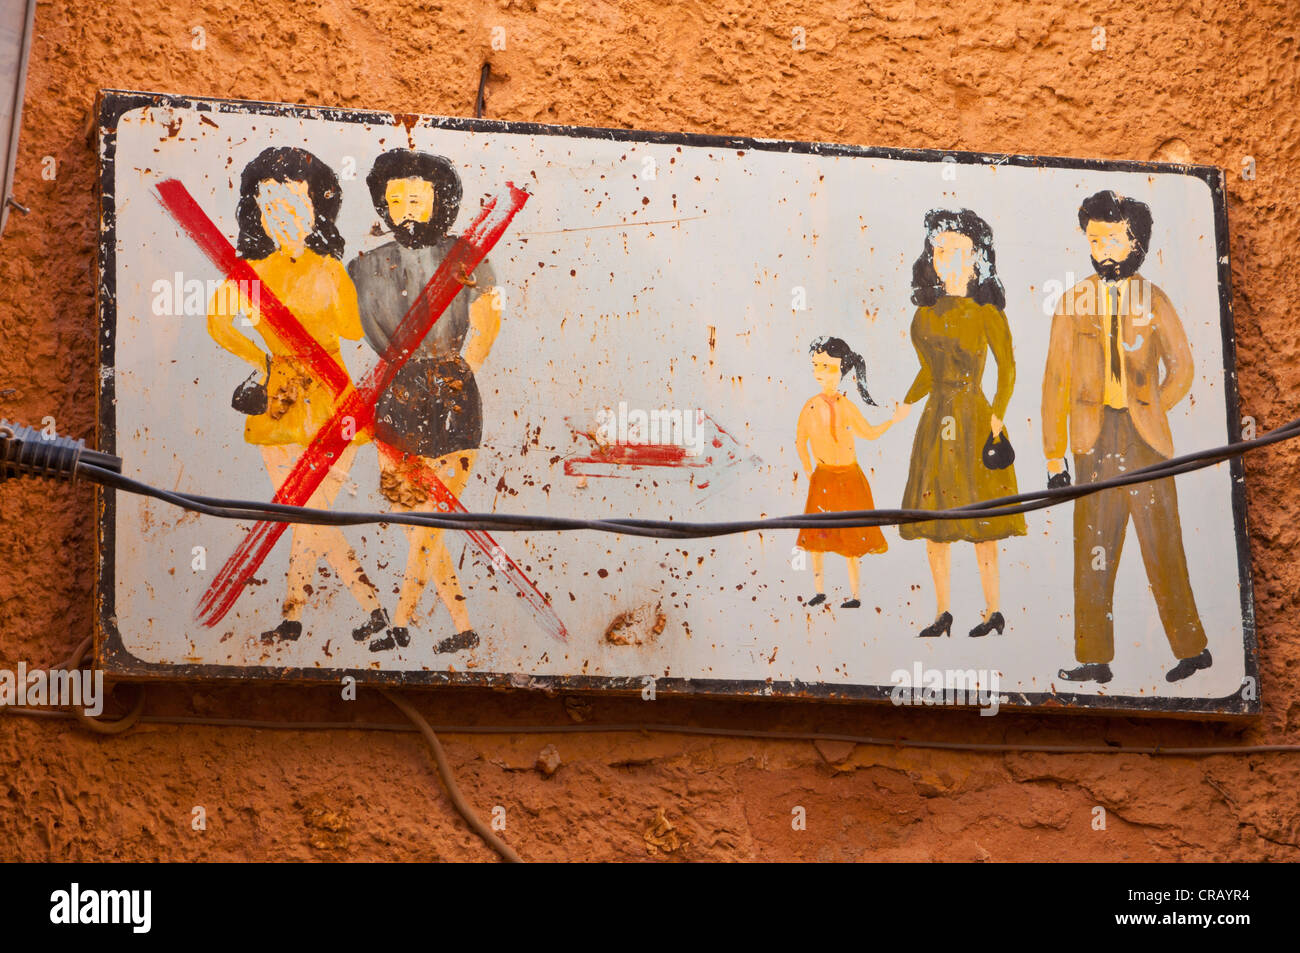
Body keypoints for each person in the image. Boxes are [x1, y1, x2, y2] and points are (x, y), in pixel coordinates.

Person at [205, 146, 394, 646]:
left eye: (293, 207)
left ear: (316, 211)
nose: (281, 218)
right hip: (278, 403)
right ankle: (319, 616)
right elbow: (218, 323)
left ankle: (339, 614)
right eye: (269, 208)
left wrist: (369, 283)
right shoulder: (251, 273)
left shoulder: (331, 271)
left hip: (333, 400)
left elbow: (355, 329)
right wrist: (258, 359)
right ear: (256, 215)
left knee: (306, 514)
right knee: (305, 515)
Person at [1042, 190, 1211, 684]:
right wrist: (1055, 458)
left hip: (1145, 438)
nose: (1103, 249)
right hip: (1091, 439)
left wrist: (1151, 403)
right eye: (1094, 239)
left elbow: (1182, 368)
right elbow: (1055, 382)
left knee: (1164, 544)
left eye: (1113, 238)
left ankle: (1192, 648)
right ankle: (1094, 658)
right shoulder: (1073, 303)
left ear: (1135, 241)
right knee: (1093, 546)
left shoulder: (1154, 299)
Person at [347, 149, 503, 654]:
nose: (406, 207)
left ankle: (401, 620)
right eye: (395, 198)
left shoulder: (468, 257)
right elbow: (349, 327)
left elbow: (487, 321)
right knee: (419, 517)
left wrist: (459, 373)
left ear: (439, 199)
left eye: (416, 196)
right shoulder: (364, 266)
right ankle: (462, 627)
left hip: (453, 392)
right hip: (396, 395)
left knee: (431, 517)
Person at [895, 209, 1026, 638]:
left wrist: (997, 416)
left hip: (974, 417)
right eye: (940, 250)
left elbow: (1007, 370)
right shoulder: (924, 315)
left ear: (977, 257)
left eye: (958, 250)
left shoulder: (987, 312)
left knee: (982, 525)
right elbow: (927, 373)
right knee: (937, 524)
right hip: (937, 418)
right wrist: (903, 403)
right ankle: (943, 612)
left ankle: (993, 611)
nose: (947, 258)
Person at [795, 336, 906, 608]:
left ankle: (855, 594)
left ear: (843, 370)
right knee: (817, 536)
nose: (820, 373)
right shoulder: (810, 406)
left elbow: (867, 433)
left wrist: (893, 420)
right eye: (816, 366)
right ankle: (820, 589)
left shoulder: (846, 406)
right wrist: (809, 471)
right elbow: (800, 441)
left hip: (848, 477)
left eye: (828, 367)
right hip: (823, 476)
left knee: (851, 538)